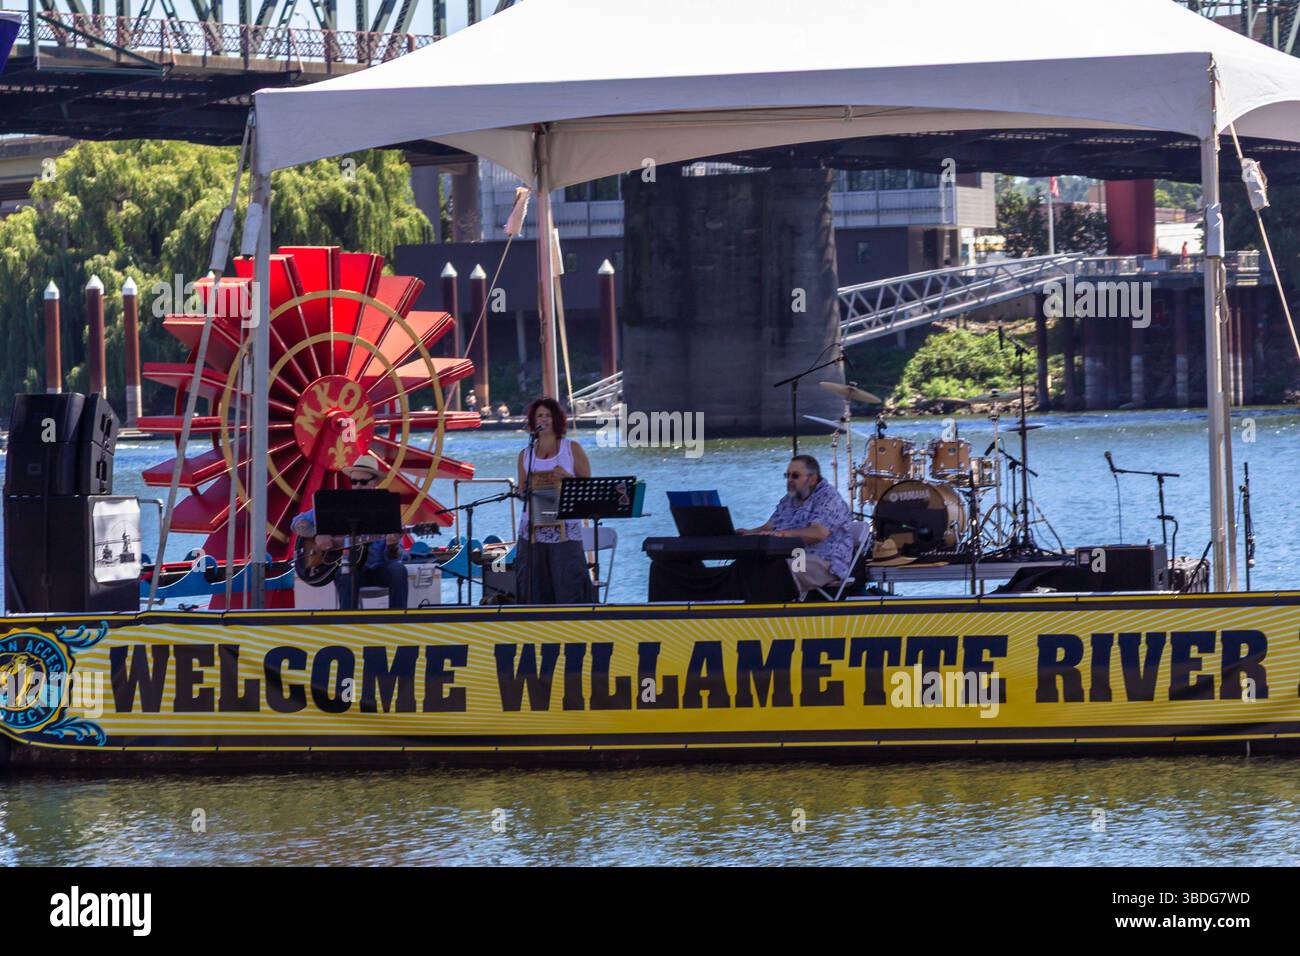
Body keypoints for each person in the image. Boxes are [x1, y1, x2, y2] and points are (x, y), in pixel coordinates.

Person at [291, 453, 408, 609]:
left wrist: (392, 545)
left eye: (363, 482)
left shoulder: (387, 509)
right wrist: (316, 534)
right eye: (354, 481)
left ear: (375, 482)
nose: (358, 486)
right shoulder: (337, 505)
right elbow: (296, 523)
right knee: (345, 574)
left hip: (379, 569)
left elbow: (393, 557)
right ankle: (347, 623)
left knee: (398, 570)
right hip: (349, 569)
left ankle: (399, 621)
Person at [516, 397, 596, 604]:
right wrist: (522, 490)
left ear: (556, 419)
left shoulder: (571, 448)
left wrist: (567, 479)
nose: (544, 419)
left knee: (568, 582)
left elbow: (588, 485)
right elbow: (522, 489)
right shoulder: (526, 454)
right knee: (534, 586)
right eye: (540, 415)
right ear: (533, 421)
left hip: (565, 529)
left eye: (548, 415)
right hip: (533, 528)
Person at [738, 454, 853, 597]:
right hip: (790, 555)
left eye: (795, 476)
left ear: (812, 479)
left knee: (776, 570)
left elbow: (818, 533)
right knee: (748, 564)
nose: (790, 480)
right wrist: (746, 533)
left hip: (824, 560)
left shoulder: (828, 497)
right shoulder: (789, 499)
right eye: (787, 476)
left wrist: (783, 535)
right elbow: (769, 527)